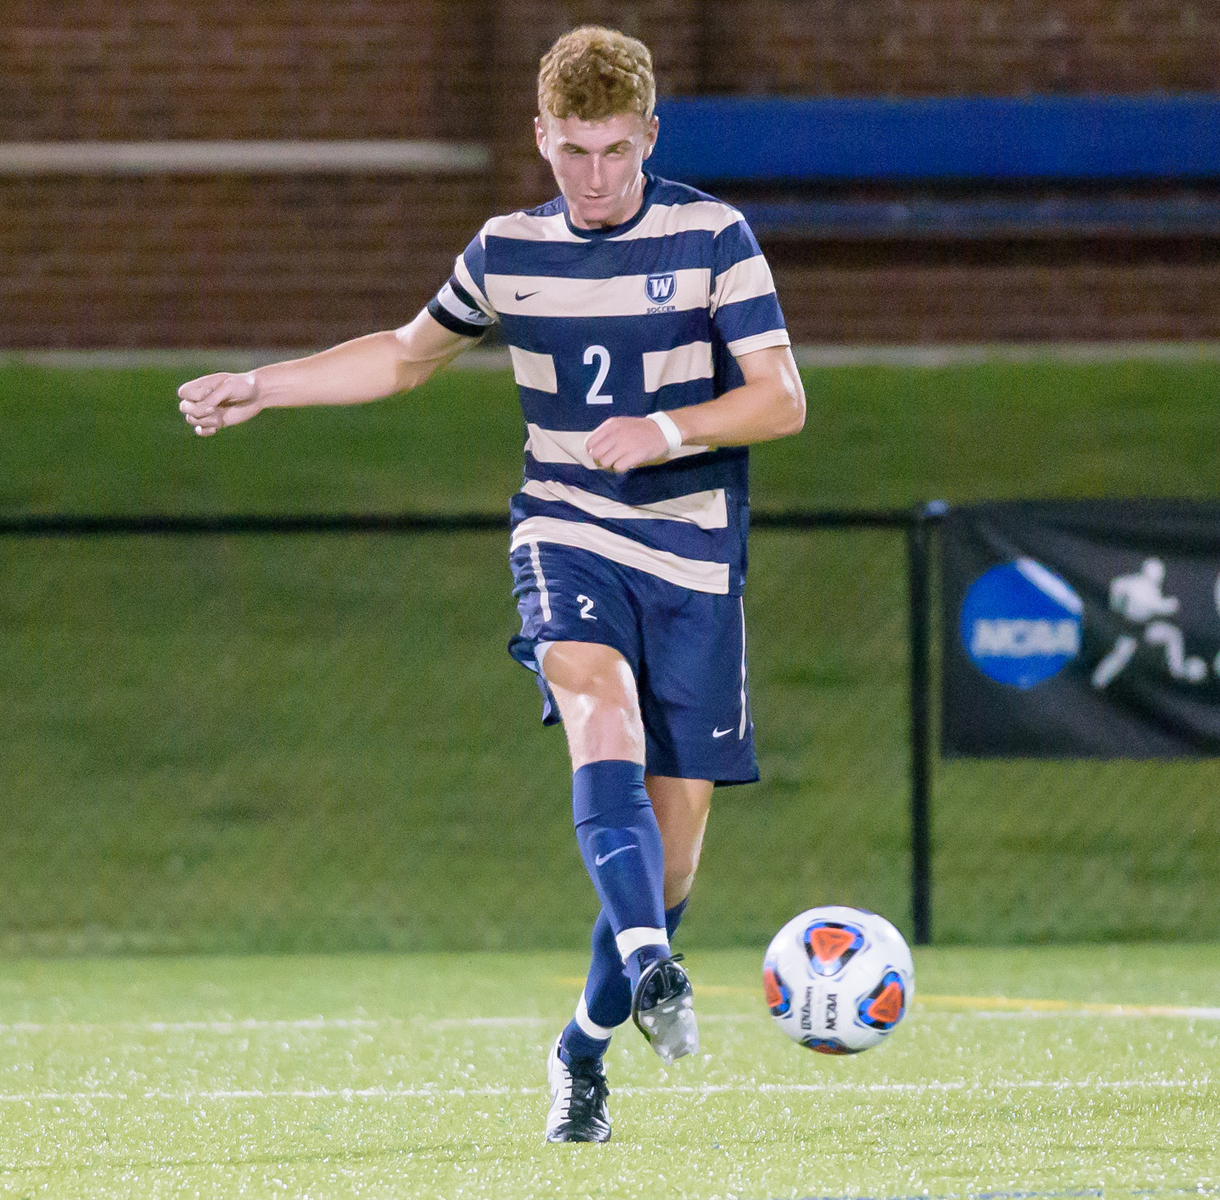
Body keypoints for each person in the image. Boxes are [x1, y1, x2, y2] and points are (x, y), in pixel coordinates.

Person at [177, 25, 805, 1144]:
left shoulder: (715, 236)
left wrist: (664, 428)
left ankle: (582, 1044)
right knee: (596, 705)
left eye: (616, 149)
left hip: (693, 552)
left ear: (650, 136)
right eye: (573, 151)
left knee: (672, 850)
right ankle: (656, 962)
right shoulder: (509, 250)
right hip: (566, 531)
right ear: (539, 138)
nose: (596, 176)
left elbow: (781, 399)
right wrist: (264, 386)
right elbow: (408, 355)